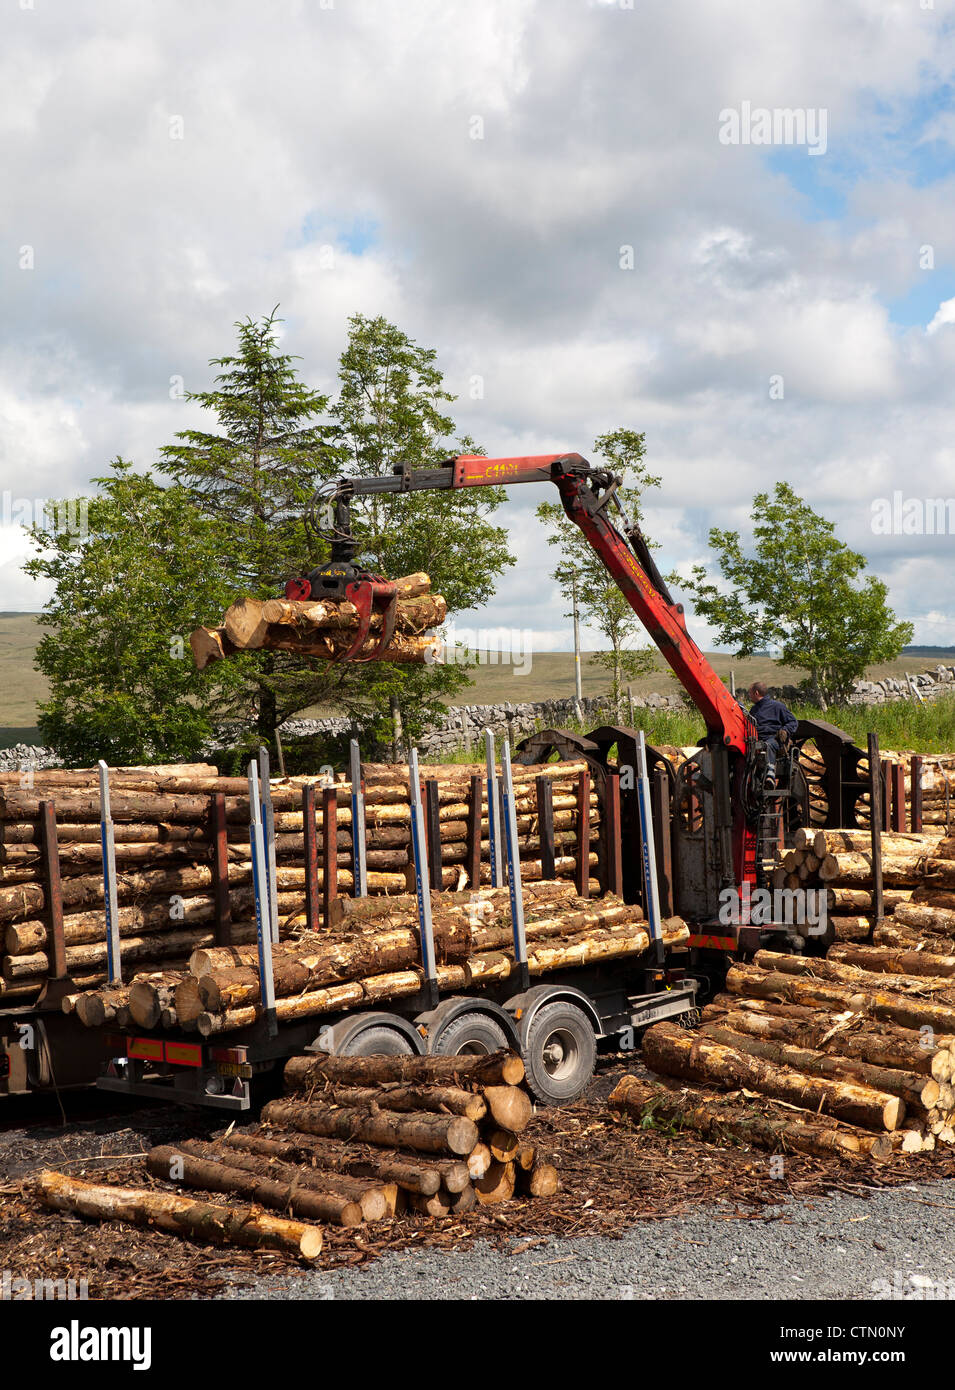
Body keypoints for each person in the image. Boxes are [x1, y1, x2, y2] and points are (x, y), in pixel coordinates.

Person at [747, 681, 798, 785]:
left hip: (775, 740)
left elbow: (793, 722)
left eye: (750, 693)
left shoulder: (778, 706)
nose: (749, 695)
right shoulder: (754, 710)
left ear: (756, 693)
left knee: (768, 745)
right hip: (758, 740)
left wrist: (785, 730)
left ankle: (770, 774)